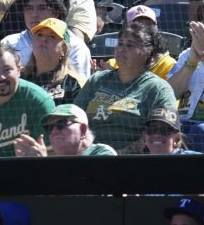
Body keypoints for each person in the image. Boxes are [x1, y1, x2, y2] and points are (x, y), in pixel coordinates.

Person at [74, 22, 177, 152]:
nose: (122, 49)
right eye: (120, 43)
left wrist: (119, 155)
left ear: (147, 52)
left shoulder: (158, 89)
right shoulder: (97, 80)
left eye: (130, 45)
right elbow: (74, 118)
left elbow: (161, 134)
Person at [19, 18, 86, 105]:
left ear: (64, 49)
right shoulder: (19, 77)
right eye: (39, 35)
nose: (44, 39)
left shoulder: (73, 83)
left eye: (52, 36)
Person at [13, 104, 117, 157]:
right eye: (49, 127)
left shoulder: (101, 153)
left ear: (83, 129)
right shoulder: (48, 158)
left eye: (61, 124)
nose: (54, 131)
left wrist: (43, 166)